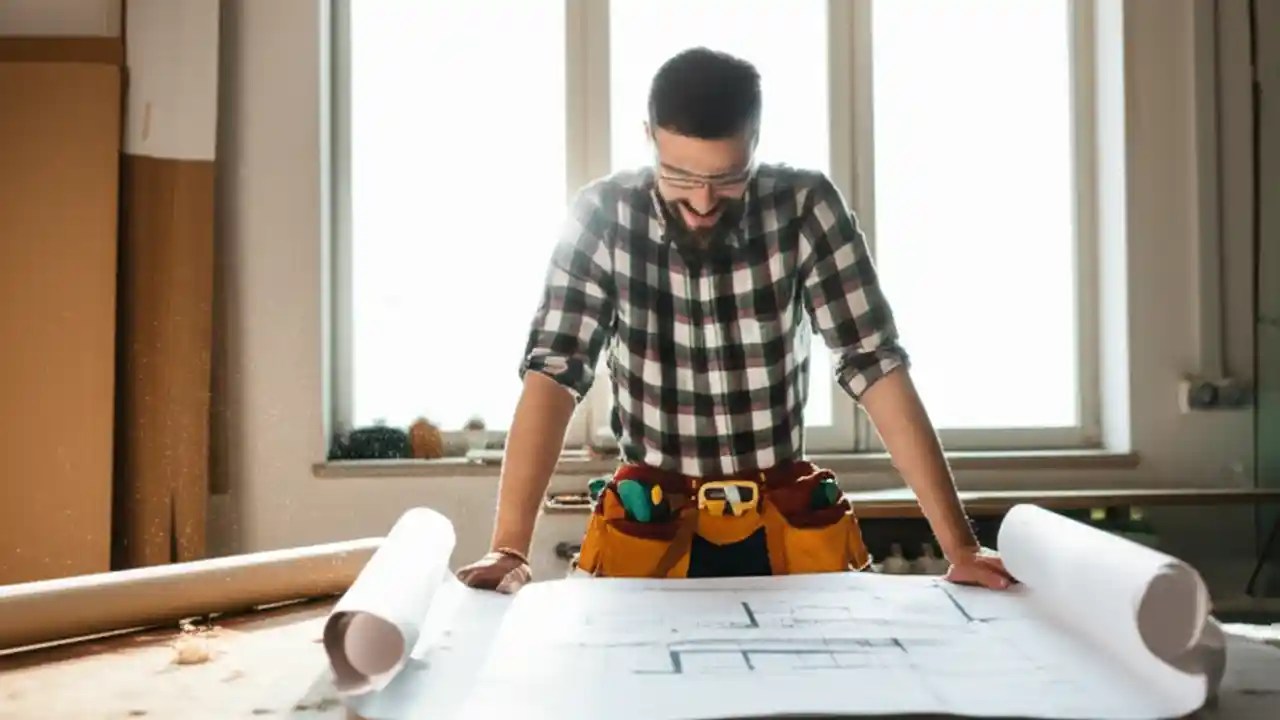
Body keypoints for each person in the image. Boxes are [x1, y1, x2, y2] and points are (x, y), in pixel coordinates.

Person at [456, 47, 1014, 594]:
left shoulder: (806, 206)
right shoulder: (601, 215)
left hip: (783, 519)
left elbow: (875, 364)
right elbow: (554, 374)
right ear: (649, 137)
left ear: (755, 142)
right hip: (651, 521)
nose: (702, 203)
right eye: (679, 176)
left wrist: (960, 548)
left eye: (727, 179)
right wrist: (509, 549)